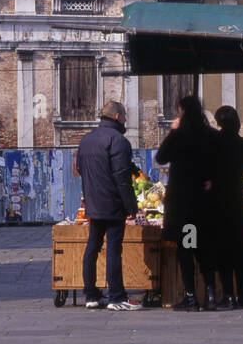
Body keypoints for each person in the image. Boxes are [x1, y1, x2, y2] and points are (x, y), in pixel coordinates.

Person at [73, 100, 142, 311]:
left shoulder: (86, 139)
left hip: (92, 202)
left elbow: (80, 168)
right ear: (118, 117)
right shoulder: (119, 141)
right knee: (114, 248)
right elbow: (121, 178)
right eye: (125, 117)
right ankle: (117, 297)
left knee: (92, 247)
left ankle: (91, 296)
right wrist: (131, 207)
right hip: (112, 203)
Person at [156, 95, 220, 311]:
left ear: (181, 112)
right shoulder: (210, 135)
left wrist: (173, 131)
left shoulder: (180, 136)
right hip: (204, 205)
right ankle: (210, 294)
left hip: (185, 207)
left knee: (188, 249)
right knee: (204, 249)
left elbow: (162, 157)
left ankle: (191, 296)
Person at [213, 105, 243, 308]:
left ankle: (228, 294)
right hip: (238, 200)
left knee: (223, 248)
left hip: (218, 202)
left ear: (218, 123)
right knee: (242, 248)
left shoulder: (213, 144)